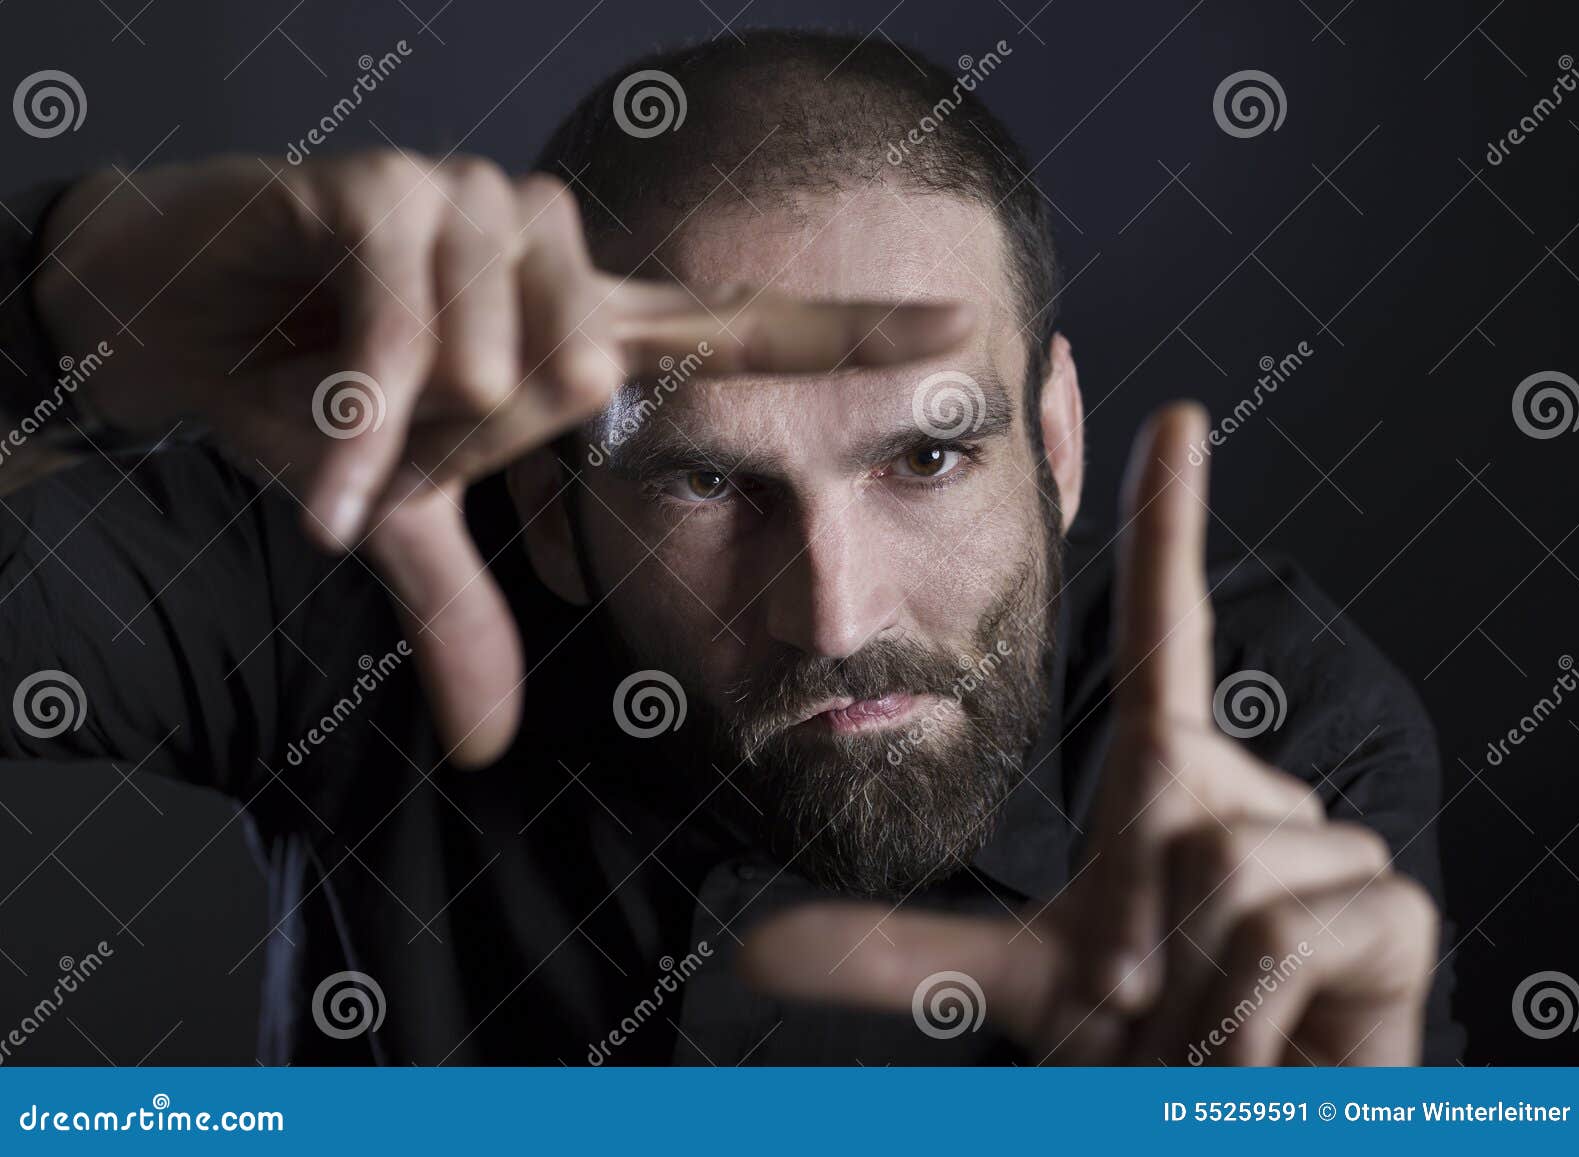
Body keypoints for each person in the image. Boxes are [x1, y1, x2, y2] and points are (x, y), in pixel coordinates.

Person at [0, 29, 1461, 1064]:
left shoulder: (1279, 739)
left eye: (927, 457)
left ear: (1058, 438)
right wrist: (75, 291)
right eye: (707, 482)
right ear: (555, 510)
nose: (834, 612)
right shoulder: (357, 577)